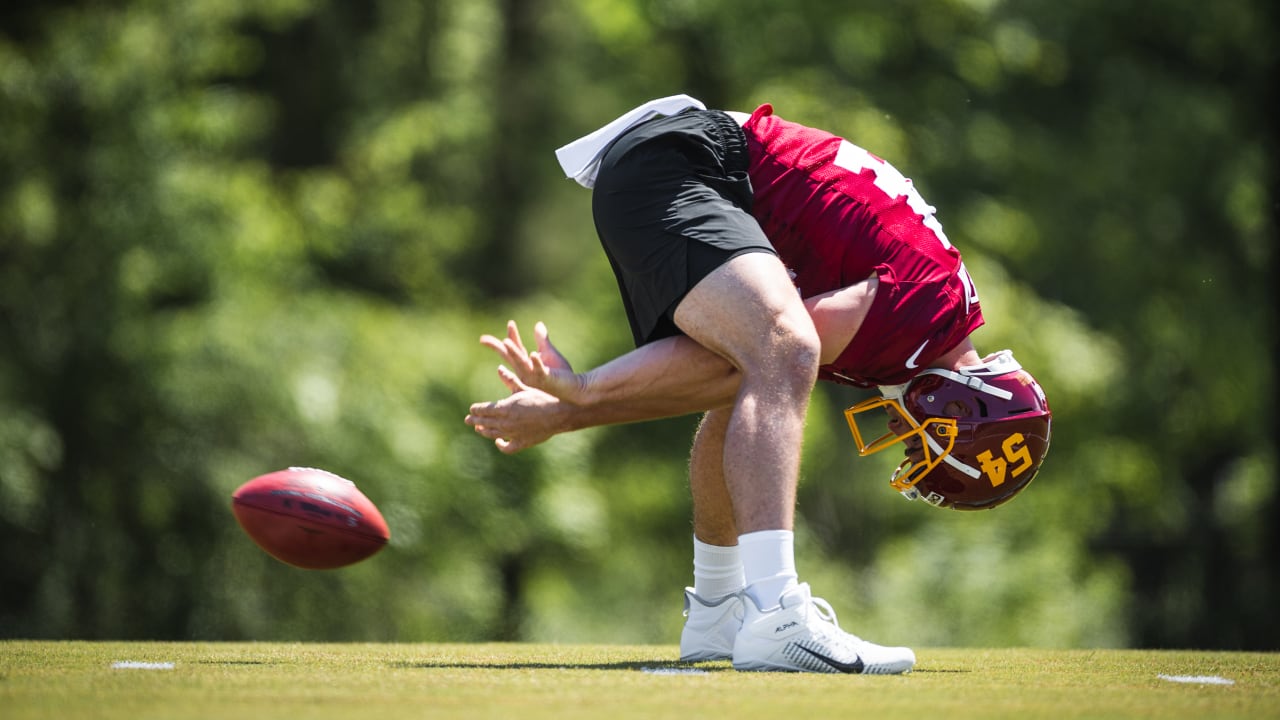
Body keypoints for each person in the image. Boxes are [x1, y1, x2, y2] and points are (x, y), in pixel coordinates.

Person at [465, 96, 1052, 673]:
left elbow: (731, 374)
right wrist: (582, 398)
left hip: (674, 164)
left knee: (762, 375)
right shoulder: (919, 318)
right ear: (960, 402)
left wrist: (575, 405)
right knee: (786, 352)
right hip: (683, 163)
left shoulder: (922, 326)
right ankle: (777, 611)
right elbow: (762, 354)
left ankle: (719, 610)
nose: (906, 441)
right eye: (932, 441)